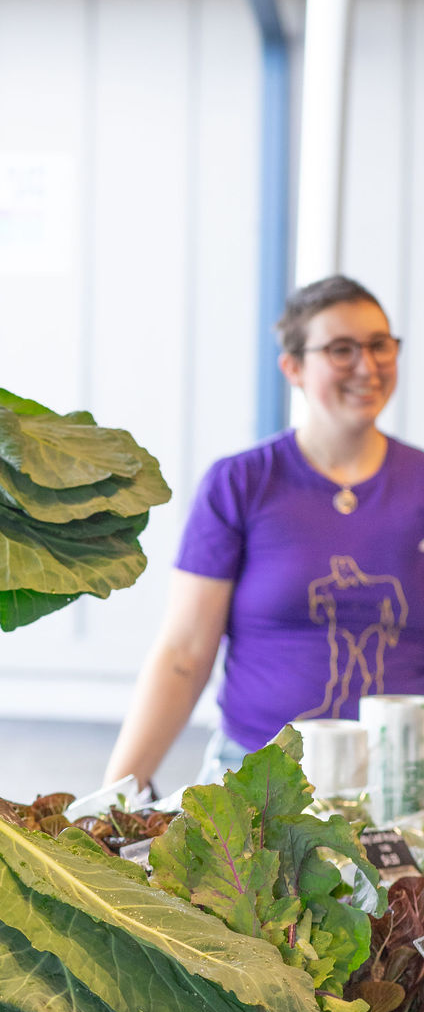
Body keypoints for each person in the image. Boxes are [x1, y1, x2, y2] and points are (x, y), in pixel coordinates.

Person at [102, 274, 421, 792]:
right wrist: (113, 794)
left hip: (402, 788)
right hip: (255, 782)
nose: (368, 365)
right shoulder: (242, 483)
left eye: (380, 345)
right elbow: (184, 654)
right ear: (293, 367)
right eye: (341, 350)